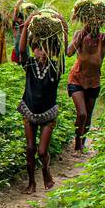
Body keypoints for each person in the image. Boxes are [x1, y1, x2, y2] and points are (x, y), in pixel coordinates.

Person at [18, 12, 67, 193]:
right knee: (30, 148)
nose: (41, 52)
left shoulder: (56, 67)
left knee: (41, 151)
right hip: (29, 111)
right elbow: (21, 51)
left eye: (45, 48)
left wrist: (64, 27)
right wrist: (26, 26)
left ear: (52, 50)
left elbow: (64, 53)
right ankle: (31, 182)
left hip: (48, 115)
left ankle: (46, 171)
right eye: (38, 48)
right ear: (34, 49)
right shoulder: (29, 64)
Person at [65, 13, 105, 152]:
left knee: (88, 116)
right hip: (76, 79)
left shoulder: (104, 38)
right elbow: (69, 52)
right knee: (82, 114)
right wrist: (85, 29)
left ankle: (82, 143)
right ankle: (77, 143)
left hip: (94, 81)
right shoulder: (80, 35)